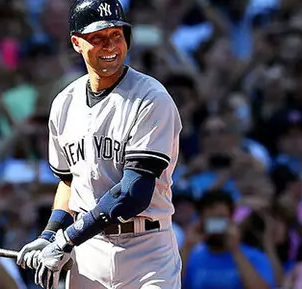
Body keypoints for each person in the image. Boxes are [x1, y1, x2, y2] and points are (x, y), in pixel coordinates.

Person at [16, 0, 182, 288]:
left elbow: (133, 193)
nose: (110, 46)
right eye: (98, 38)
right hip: (89, 252)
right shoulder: (64, 103)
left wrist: (66, 239)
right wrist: (49, 234)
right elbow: (70, 183)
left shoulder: (152, 97)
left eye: (116, 35)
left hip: (147, 251)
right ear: (76, 43)